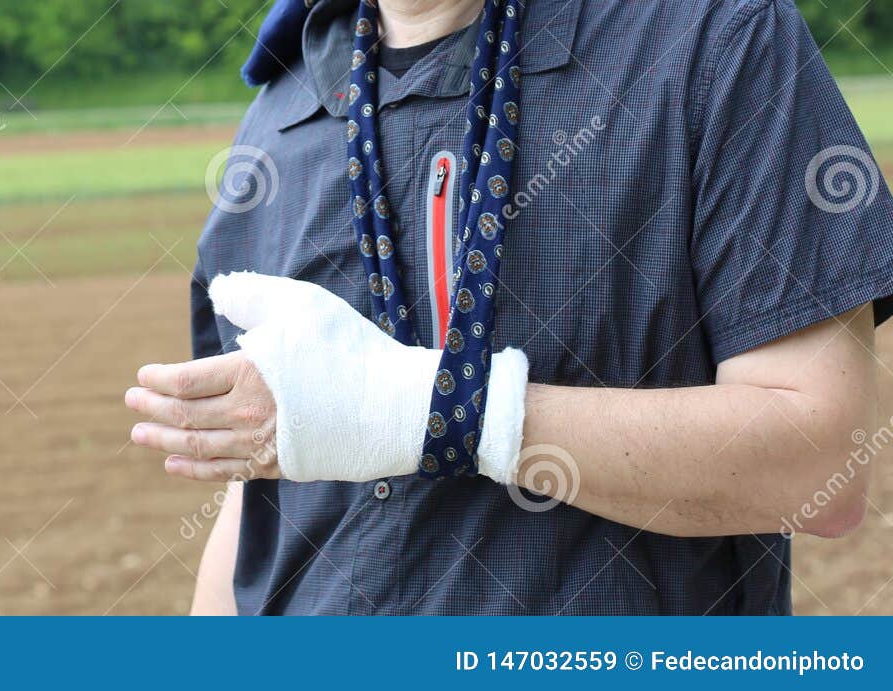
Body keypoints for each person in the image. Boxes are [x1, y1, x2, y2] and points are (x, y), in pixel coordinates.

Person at [123, 0, 893, 615]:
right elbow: (253, 497)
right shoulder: (277, 115)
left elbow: (820, 460)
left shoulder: (719, 40)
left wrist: (440, 412)